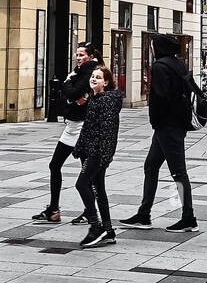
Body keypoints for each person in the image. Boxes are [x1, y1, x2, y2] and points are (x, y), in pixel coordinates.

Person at [119, 34, 198, 232]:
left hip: (167, 126)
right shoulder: (179, 64)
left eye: (153, 45)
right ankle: (143, 214)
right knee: (150, 166)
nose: (151, 48)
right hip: (175, 125)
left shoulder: (161, 67)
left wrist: (155, 120)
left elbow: (160, 98)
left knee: (178, 172)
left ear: (158, 48)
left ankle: (189, 218)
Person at [34, 43, 101, 223]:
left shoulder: (88, 72)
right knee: (55, 165)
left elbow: (72, 93)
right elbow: (67, 97)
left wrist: (68, 83)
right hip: (71, 126)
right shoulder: (79, 72)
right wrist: (70, 94)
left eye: (81, 55)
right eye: (77, 55)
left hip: (82, 127)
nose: (78, 58)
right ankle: (54, 209)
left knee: (85, 171)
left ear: (90, 56)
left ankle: (89, 211)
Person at [73, 66, 125, 248]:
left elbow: (109, 130)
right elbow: (89, 127)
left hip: (98, 151)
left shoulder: (107, 101)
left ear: (107, 82)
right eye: (93, 77)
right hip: (92, 149)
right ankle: (109, 230)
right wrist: (80, 146)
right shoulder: (95, 98)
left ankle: (96, 227)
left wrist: (105, 154)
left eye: (98, 77)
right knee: (98, 188)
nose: (93, 79)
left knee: (82, 184)